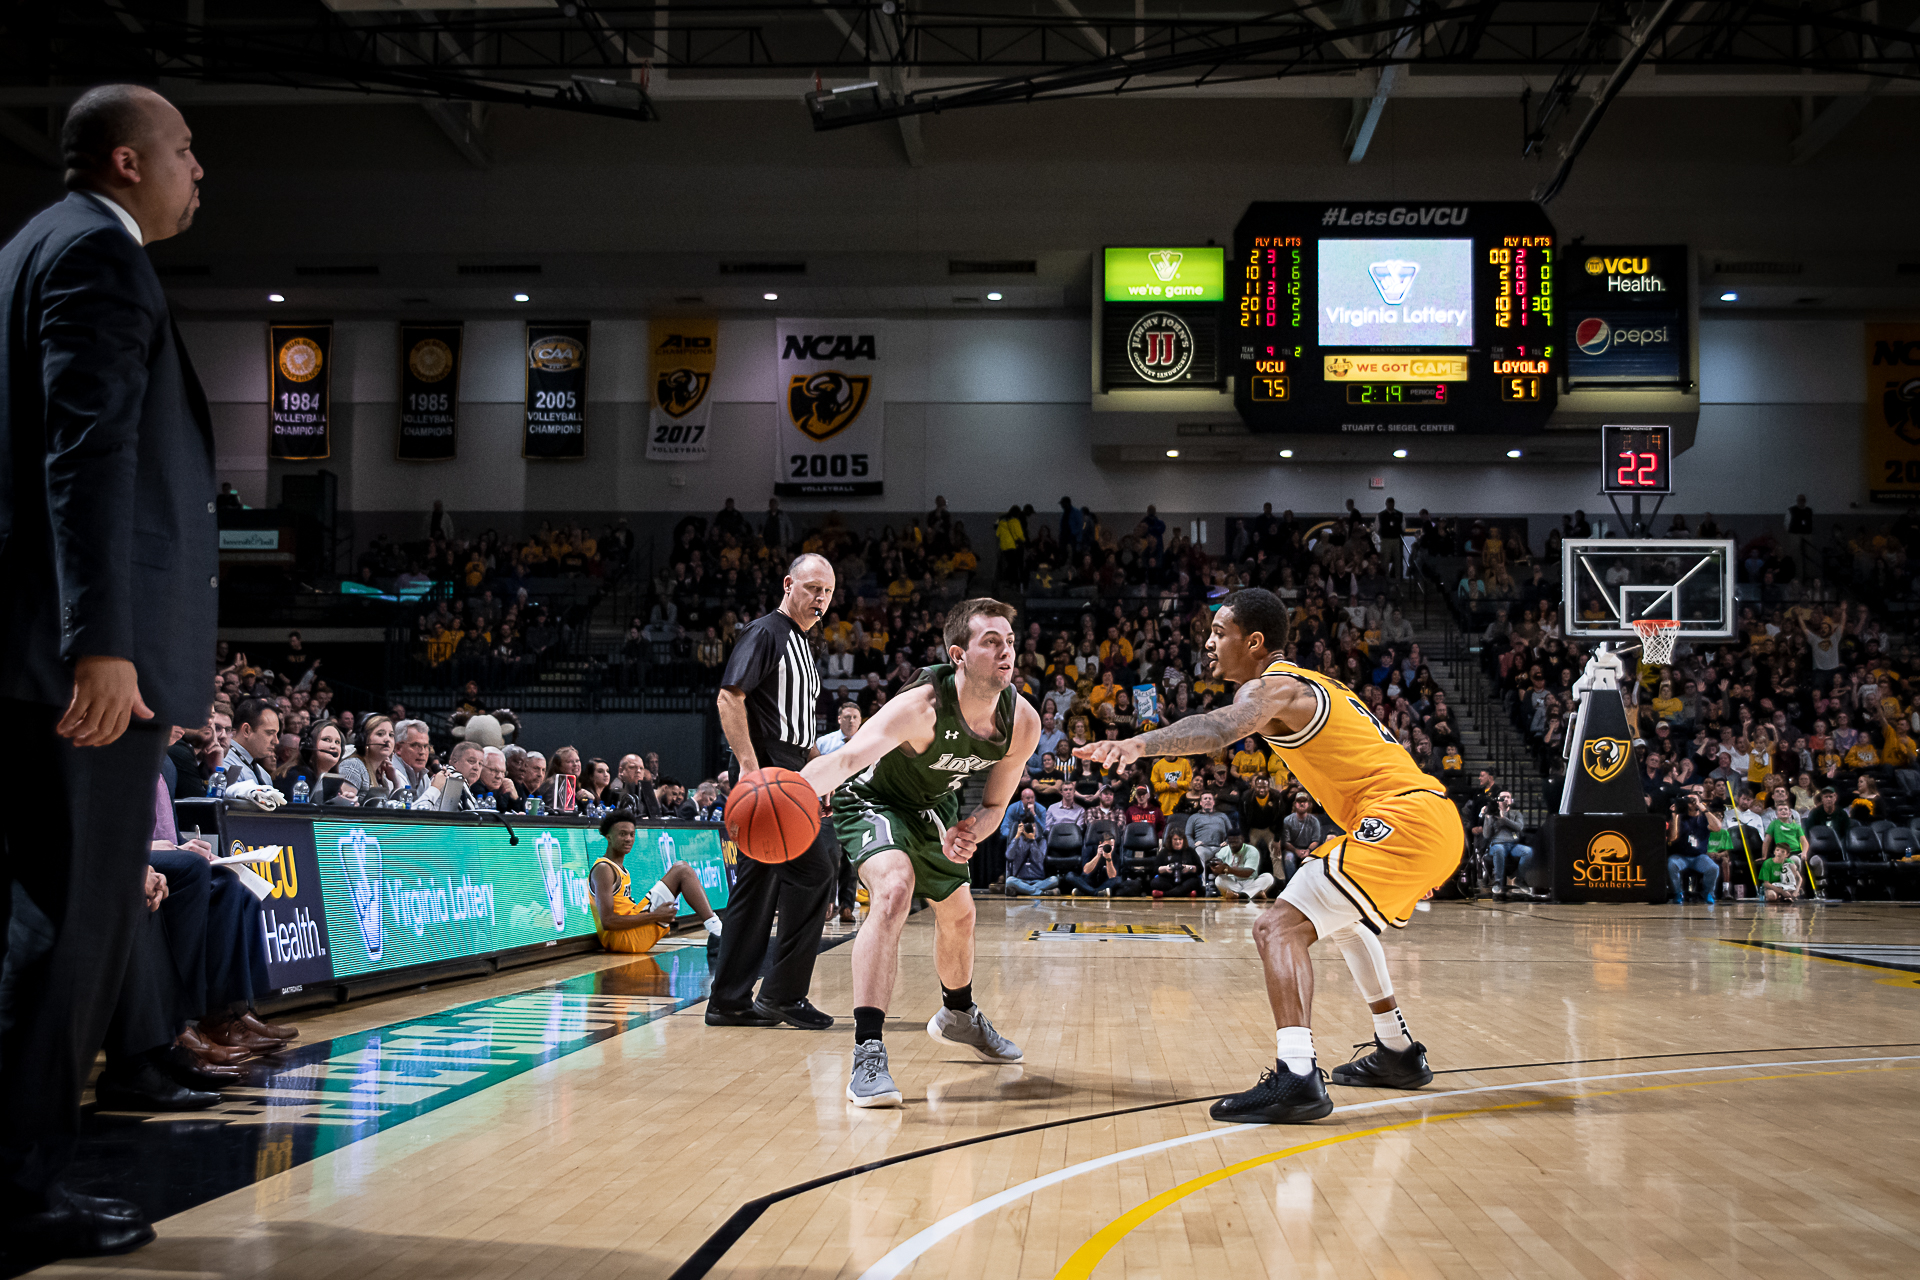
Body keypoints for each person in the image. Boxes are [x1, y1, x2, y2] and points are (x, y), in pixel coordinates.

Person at [0, 83, 215, 1262]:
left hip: (38, 644)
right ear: (127, 161)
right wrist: (105, 640)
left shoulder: (28, 248)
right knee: (69, 930)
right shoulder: (96, 255)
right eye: (185, 149)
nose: (201, 168)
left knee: (40, 920)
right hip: (75, 656)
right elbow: (86, 459)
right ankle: (23, 1185)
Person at [1077, 588, 1460, 1124]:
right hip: (1430, 819)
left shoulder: (1273, 685)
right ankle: (1397, 1052)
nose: (1208, 643)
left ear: (1254, 641)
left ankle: (1297, 1077)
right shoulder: (1317, 683)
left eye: (1218, 633)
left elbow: (1219, 729)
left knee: (1276, 930)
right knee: (1345, 925)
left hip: (1406, 818)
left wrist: (1140, 745)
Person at [799, 598, 1040, 1108]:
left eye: (1010, 642)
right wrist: (791, 791)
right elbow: (845, 759)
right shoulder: (920, 707)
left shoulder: (1021, 721)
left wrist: (971, 830)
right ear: (958, 654)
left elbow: (996, 802)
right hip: (871, 798)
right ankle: (867, 1051)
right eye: (991, 642)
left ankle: (958, 1014)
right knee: (894, 890)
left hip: (932, 804)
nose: (1006, 653)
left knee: (960, 916)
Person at [708, 554, 838, 1030]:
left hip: (791, 770)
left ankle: (737, 999)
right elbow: (729, 696)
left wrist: (815, 778)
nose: (819, 598)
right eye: (811, 588)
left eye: (826, 591)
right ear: (788, 585)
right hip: (764, 767)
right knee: (810, 872)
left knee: (767, 883)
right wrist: (748, 768)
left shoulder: (806, 646)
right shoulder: (766, 633)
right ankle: (772, 994)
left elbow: (800, 731)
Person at [588, 812, 722, 954]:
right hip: (623, 938)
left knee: (681, 870)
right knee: (682, 870)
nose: (628, 839)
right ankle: (718, 932)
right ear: (608, 837)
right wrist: (656, 916)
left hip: (627, 935)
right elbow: (608, 921)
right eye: (622, 834)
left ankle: (717, 932)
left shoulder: (619, 868)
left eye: (632, 834)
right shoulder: (604, 869)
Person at [816, 703, 862, 924]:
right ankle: (827, 902)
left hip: (857, 808)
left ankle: (847, 906)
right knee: (830, 856)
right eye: (847, 717)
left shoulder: (868, 742)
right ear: (839, 718)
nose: (851, 721)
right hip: (828, 809)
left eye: (855, 717)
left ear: (861, 720)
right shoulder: (824, 743)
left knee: (851, 859)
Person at [1481, 791, 1535, 900]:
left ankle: (1519, 879)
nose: (1505, 799)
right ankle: (1498, 882)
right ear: (1498, 800)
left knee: (1528, 851)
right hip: (1497, 844)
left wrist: (1504, 818)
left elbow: (1519, 827)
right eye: (1502, 797)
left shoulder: (1516, 814)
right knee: (1499, 849)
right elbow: (1486, 835)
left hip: (1513, 845)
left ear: (1511, 800)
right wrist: (1487, 817)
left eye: (1508, 797)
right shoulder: (1493, 814)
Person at [1003, 814, 1057, 896]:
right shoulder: (1017, 841)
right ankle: (1040, 892)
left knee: (1054, 879)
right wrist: (1017, 837)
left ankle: (1024, 890)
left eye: (1032, 826)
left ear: (1036, 827)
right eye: (1026, 826)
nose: (1029, 828)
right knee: (1009, 881)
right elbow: (1009, 856)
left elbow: (1039, 859)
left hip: (1038, 880)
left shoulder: (1041, 841)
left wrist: (1033, 841)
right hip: (1020, 879)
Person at [1211, 836, 1275, 902]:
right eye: (1231, 842)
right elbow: (1217, 871)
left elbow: (1248, 873)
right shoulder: (1223, 851)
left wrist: (1228, 869)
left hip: (1250, 881)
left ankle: (1239, 895)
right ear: (1228, 842)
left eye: (1236, 842)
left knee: (1268, 877)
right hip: (1233, 883)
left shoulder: (1251, 850)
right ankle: (1254, 894)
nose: (1234, 845)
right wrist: (1215, 869)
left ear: (1242, 841)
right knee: (1218, 879)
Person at [1149, 829, 1204, 897]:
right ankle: (1186, 893)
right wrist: (1165, 868)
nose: (1178, 842)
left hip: (1186, 880)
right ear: (1171, 840)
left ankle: (1164, 894)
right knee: (1154, 882)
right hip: (1169, 881)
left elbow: (1200, 869)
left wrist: (1189, 868)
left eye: (1180, 839)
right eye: (1175, 839)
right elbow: (1155, 869)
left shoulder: (1190, 851)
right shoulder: (1164, 852)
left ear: (1183, 840)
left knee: (1195, 882)